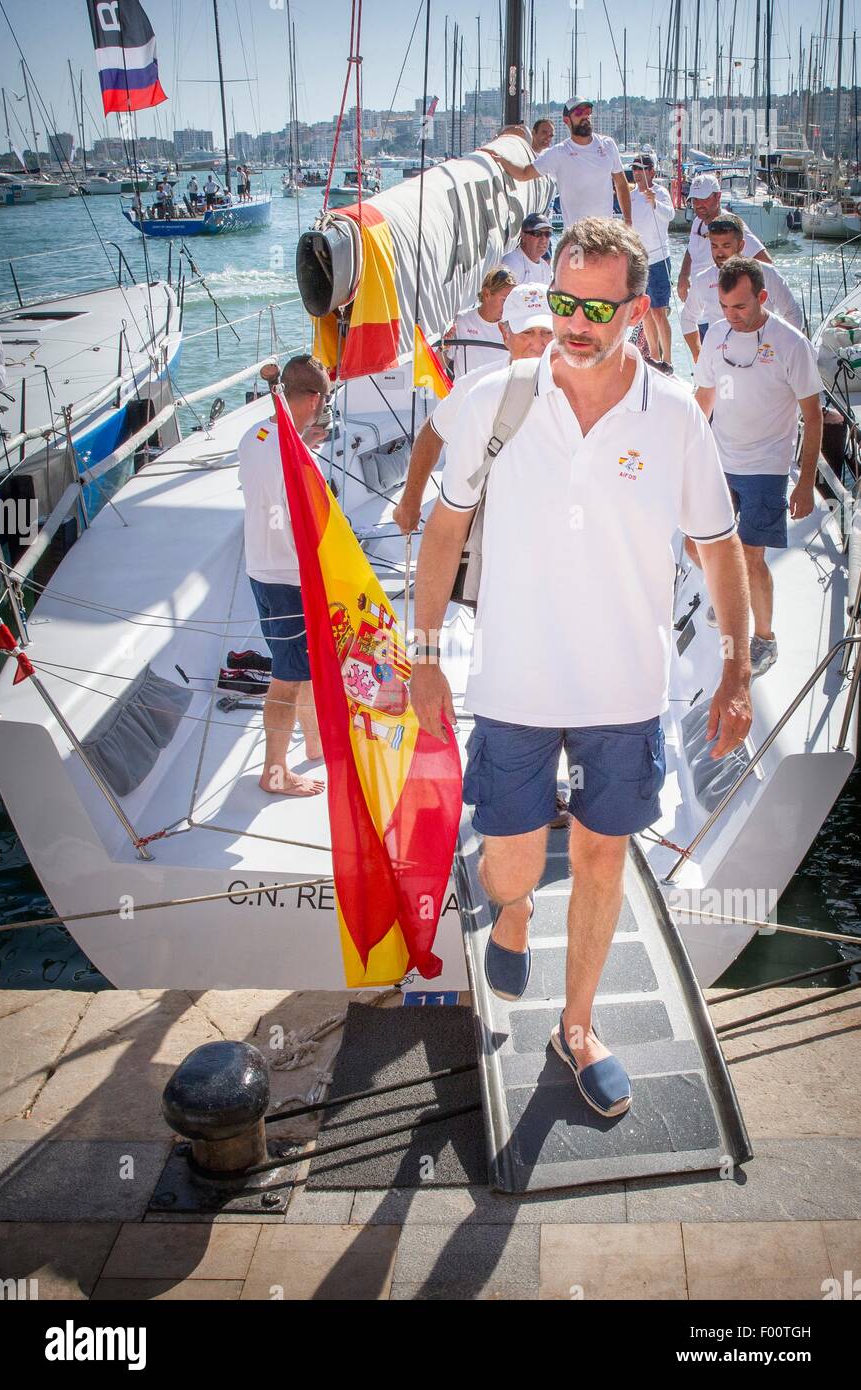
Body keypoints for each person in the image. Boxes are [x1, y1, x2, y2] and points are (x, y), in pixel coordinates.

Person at [410, 217, 752, 1117]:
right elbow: (444, 529)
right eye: (563, 301)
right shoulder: (498, 398)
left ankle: (579, 1025)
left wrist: (735, 670)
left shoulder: (674, 414)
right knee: (507, 871)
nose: (575, 323)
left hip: (626, 692)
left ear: (638, 311)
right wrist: (424, 655)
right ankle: (515, 918)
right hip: (515, 685)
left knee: (604, 860)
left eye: (598, 308)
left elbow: (718, 548)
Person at [692, 255, 823, 679]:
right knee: (696, 544)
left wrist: (805, 482)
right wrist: (685, 456)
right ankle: (730, 592)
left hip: (766, 467)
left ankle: (764, 638)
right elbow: (703, 400)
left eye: (741, 308)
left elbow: (813, 414)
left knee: (750, 557)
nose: (732, 317)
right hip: (720, 459)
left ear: (762, 298)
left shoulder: (792, 345)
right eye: (725, 308)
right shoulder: (716, 336)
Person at [238, 354, 332, 796]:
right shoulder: (297, 457)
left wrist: (304, 442)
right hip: (289, 579)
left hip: (261, 567)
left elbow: (266, 484)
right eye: (324, 400)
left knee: (304, 666)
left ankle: (314, 744)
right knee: (287, 675)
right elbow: (305, 520)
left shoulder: (253, 436)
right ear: (313, 398)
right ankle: (274, 772)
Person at [394, 284, 554, 536]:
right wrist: (410, 502)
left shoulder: (579, 387)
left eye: (546, 332)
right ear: (505, 333)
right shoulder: (475, 385)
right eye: (527, 332)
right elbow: (433, 432)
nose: (538, 344)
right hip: (495, 523)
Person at [486, 97, 631, 228]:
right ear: (567, 120)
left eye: (587, 111)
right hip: (576, 237)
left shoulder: (608, 144)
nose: (585, 116)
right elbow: (524, 174)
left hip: (605, 233)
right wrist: (501, 159)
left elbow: (621, 184)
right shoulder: (559, 153)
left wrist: (628, 220)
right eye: (579, 113)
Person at [681, 212, 803, 361]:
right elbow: (687, 319)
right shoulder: (703, 280)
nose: (719, 253)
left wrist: (786, 353)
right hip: (721, 363)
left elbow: (792, 312)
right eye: (714, 246)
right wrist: (698, 356)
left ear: (741, 245)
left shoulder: (766, 273)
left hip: (763, 360)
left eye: (726, 245)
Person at [677, 172, 772, 303]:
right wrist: (683, 276)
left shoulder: (732, 226)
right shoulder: (697, 223)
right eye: (695, 200)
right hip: (697, 304)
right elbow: (691, 250)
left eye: (704, 198)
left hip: (722, 308)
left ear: (718, 196)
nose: (698, 204)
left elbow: (766, 263)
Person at [629, 154, 674, 366]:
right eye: (635, 168)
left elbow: (670, 215)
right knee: (645, 311)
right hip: (639, 260)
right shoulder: (631, 197)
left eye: (641, 168)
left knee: (659, 312)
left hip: (658, 260)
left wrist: (654, 201)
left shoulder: (661, 192)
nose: (637, 172)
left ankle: (668, 359)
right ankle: (654, 356)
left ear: (651, 172)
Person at [447, 267, 516, 374]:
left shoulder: (514, 328)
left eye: (511, 301)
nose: (508, 306)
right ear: (486, 293)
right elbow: (441, 363)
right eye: (504, 300)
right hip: (466, 390)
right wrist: (444, 347)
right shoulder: (461, 321)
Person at [501, 213, 553, 285]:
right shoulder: (511, 263)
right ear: (523, 235)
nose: (544, 239)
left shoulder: (546, 268)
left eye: (547, 234)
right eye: (537, 233)